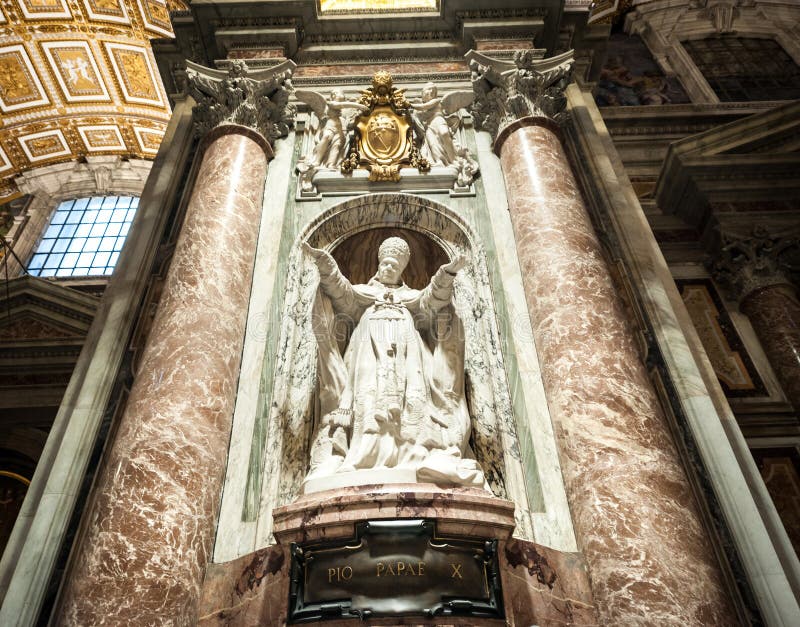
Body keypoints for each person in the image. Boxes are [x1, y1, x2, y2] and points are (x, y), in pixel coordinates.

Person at [302, 236, 486, 491]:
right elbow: (341, 291)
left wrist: (447, 273)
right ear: (378, 264)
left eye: (395, 267)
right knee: (367, 398)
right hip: (367, 352)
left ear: (402, 271)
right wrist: (325, 263)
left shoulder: (410, 298)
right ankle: (360, 456)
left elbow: (432, 300)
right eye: (386, 264)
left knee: (412, 399)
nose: (389, 269)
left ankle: (413, 455)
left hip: (408, 354)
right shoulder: (363, 294)